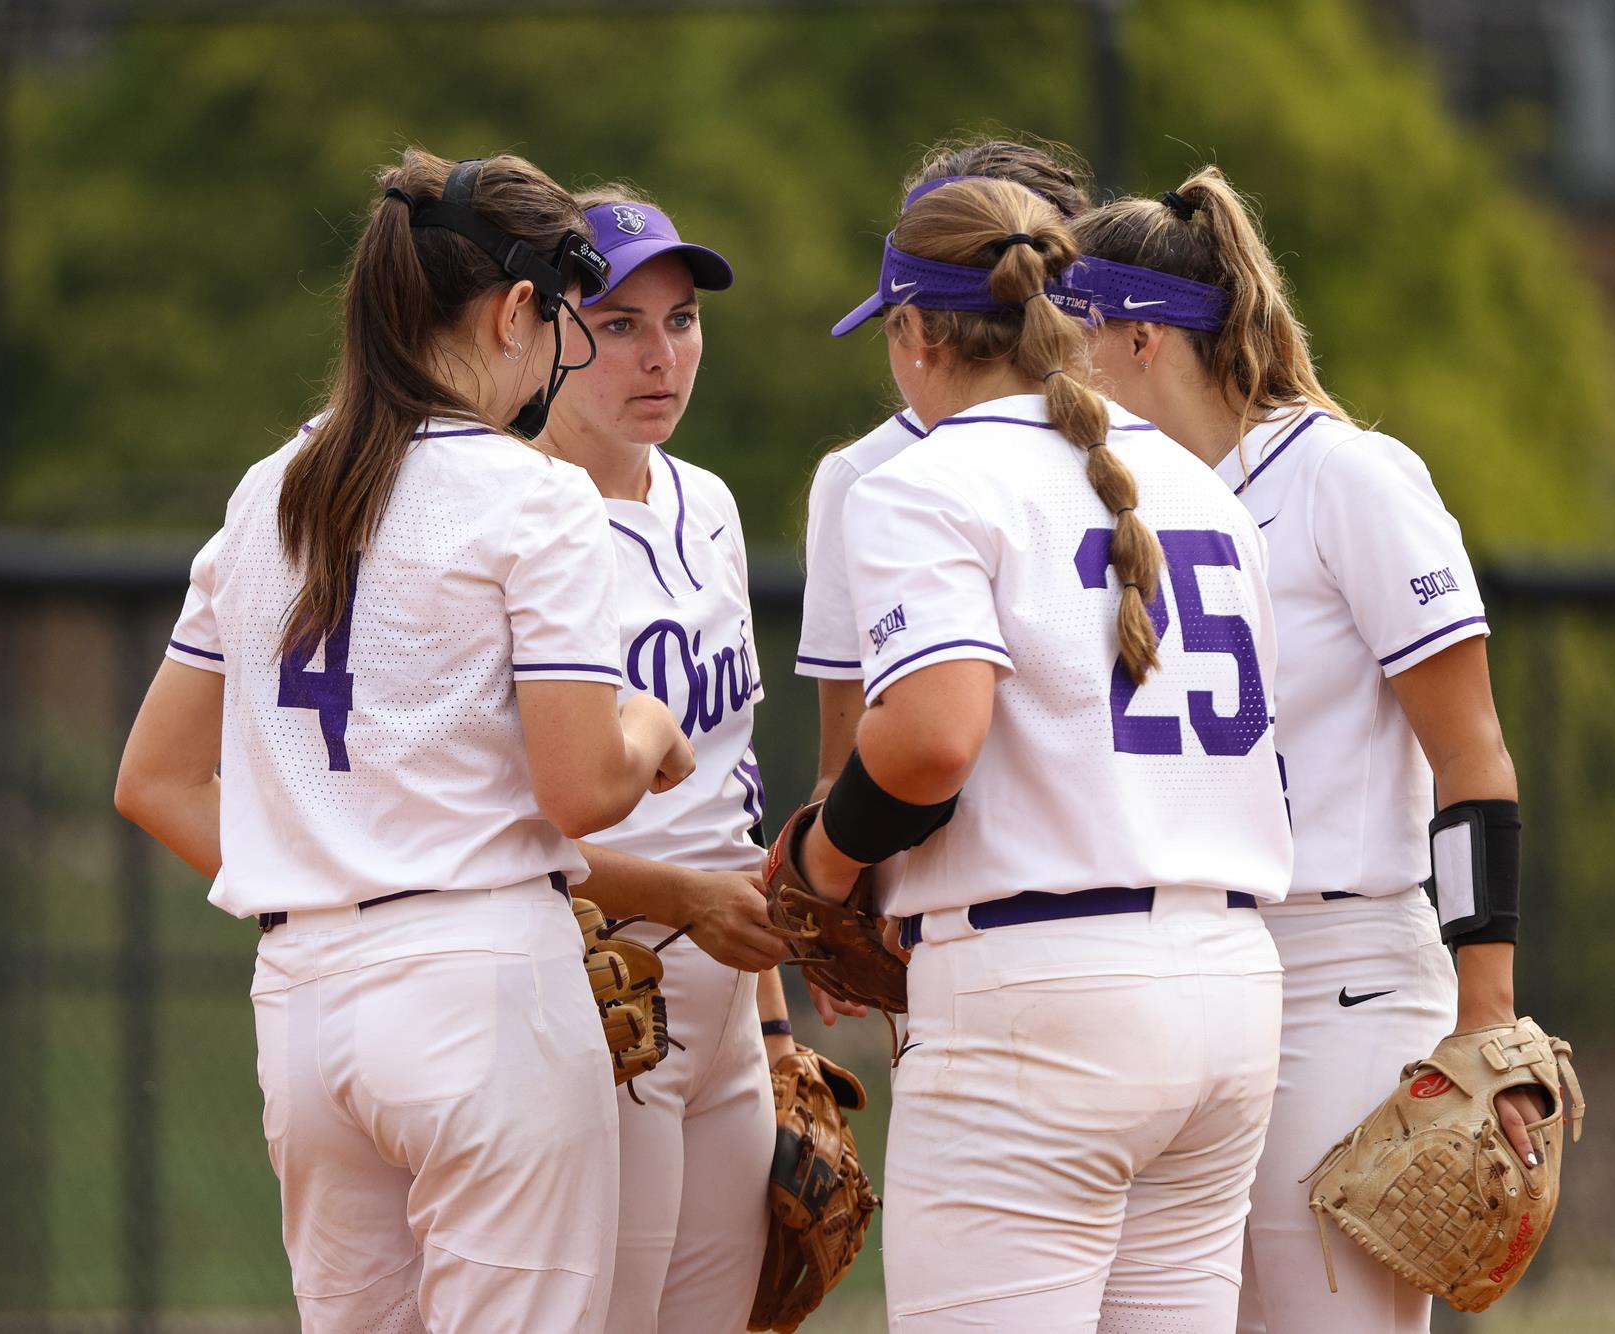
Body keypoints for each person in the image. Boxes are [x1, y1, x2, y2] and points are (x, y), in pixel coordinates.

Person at [112, 149, 695, 1334]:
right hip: (479, 984)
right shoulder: (531, 494)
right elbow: (582, 786)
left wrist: (322, 867)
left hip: (307, 1003)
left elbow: (155, 782)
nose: (556, 361)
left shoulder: (268, 487)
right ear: (516, 310)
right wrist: (648, 724)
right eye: (562, 327)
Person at [784, 175, 1293, 1331]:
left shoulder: (923, 481)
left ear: (913, 333)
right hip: (1226, 986)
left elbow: (926, 739)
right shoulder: (1193, 483)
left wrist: (821, 863)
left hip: (1041, 997)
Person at [1071, 168, 1542, 1334]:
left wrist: (1486, 1010)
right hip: (1195, 970)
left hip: (1347, 968)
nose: (1046, 363)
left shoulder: (1343, 475)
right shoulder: (1122, 502)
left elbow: (1471, 755)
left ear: (1135, 337)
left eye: (1065, 331)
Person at [537, 186, 792, 1334]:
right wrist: (682, 899)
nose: (661, 354)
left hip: (727, 991)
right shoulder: (515, 516)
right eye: (620, 321)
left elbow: (732, 788)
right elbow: (506, 821)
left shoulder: (712, 502)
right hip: (599, 979)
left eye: (680, 318)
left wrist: (776, 1026)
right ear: (544, 327)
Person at [794, 135, 1094, 1026]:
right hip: (1202, 940)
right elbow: (847, 748)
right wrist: (842, 914)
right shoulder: (1172, 465)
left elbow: (913, 743)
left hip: (1005, 936)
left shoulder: (905, 482)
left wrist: (821, 880)